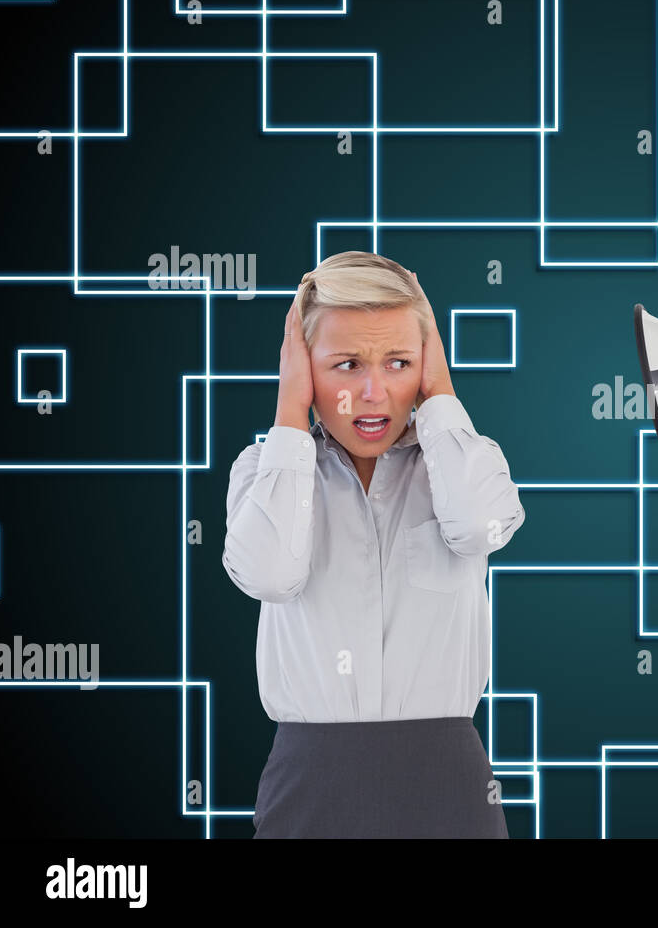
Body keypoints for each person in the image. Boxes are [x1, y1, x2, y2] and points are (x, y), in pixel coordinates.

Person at [222, 250, 525, 837]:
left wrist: (439, 393)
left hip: (449, 787)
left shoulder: (463, 462)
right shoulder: (265, 472)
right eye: (346, 364)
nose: (372, 392)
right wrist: (290, 411)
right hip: (308, 787)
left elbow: (478, 525)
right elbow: (268, 574)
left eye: (398, 362)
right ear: (305, 368)